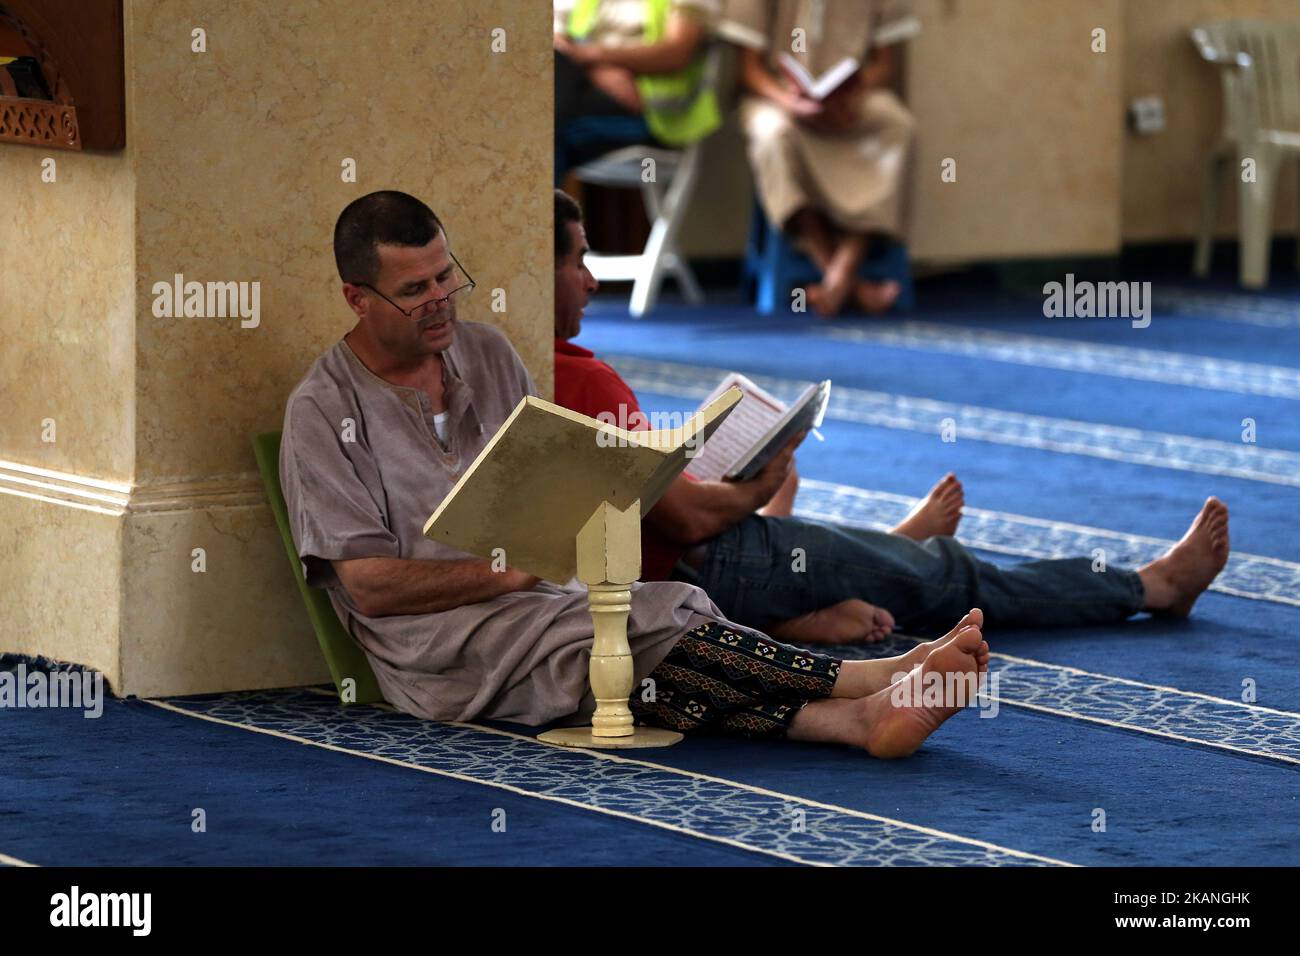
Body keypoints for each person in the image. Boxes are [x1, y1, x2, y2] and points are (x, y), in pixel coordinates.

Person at [278, 189, 991, 758]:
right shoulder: (322, 411)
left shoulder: (488, 355)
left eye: (446, 278)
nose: (440, 302)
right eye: (415, 290)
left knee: (647, 641)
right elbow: (368, 588)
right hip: (440, 646)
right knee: (648, 627)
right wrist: (507, 575)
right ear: (357, 298)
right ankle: (872, 679)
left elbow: (544, 480)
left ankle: (851, 724)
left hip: (546, 600)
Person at [551, 188, 1234, 644]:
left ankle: (858, 565)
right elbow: (690, 520)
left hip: (667, 568)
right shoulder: (582, 376)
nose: (592, 279)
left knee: (829, 537)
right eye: (578, 260)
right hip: (715, 566)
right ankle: (1152, 584)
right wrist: (759, 480)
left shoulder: (512, 363)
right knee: (950, 575)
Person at [727, 0, 919, 316]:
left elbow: (884, 64)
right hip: (777, 97)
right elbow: (748, 70)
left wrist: (846, 98)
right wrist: (789, 101)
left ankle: (841, 271)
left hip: (851, 101)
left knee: (897, 125)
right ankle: (844, 280)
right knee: (772, 135)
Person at [554, 0, 721, 181]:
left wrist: (591, 56)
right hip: (583, 89)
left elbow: (676, 53)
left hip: (656, 118)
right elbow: (554, 39)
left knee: (547, 133)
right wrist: (595, 69)